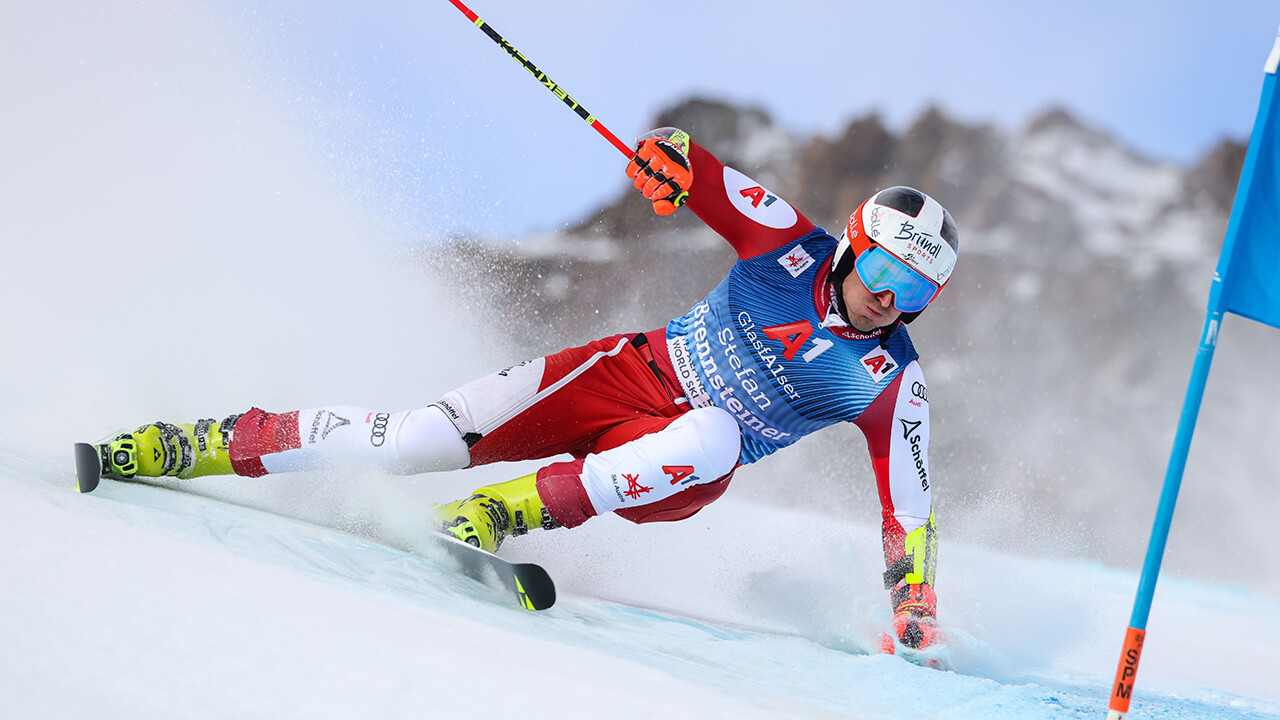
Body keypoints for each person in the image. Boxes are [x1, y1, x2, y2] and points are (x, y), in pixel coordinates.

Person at [85, 127, 959, 653]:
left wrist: (913, 606)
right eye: (886, 270)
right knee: (416, 441)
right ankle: (194, 445)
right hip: (620, 373)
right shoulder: (786, 244)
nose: (891, 299)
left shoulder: (893, 383)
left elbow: (909, 512)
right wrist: (666, 161)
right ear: (853, 245)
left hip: (676, 465)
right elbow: (696, 165)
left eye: (917, 291)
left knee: (716, 437)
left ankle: (494, 515)